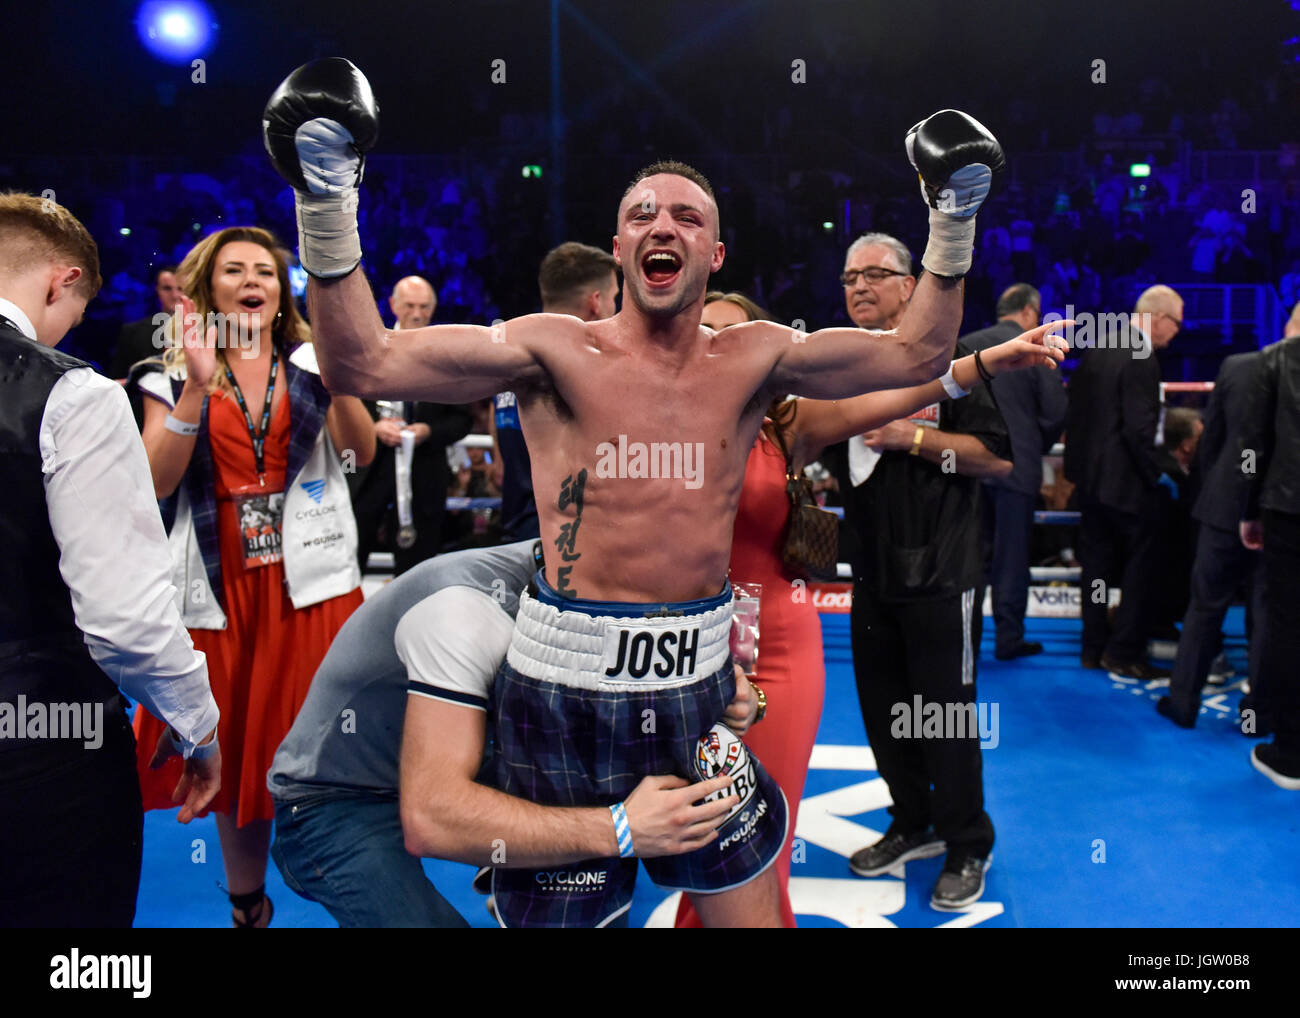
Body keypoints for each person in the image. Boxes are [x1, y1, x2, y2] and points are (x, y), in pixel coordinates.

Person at [265, 58, 1017, 927]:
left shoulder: (754, 355)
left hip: (699, 688)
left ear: (714, 251)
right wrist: (326, 198)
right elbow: (365, 362)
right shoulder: (551, 347)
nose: (664, 224)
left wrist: (951, 216)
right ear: (620, 248)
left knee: (751, 916)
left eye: (687, 215)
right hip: (564, 687)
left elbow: (916, 358)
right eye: (642, 215)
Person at [676, 290, 1065, 926]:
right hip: (698, 646)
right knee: (700, 833)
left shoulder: (788, 422)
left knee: (760, 829)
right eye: (705, 332)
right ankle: (911, 821)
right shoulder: (652, 423)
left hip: (805, 632)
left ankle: (966, 840)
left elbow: (932, 407)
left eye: (733, 336)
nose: (717, 346)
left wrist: (987, 360)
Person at [268, 541, 755, 927]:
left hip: (476, 755)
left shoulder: (599, 584)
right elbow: (431, 817)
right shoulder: (459, 613)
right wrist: (620, 829)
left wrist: (737, 700)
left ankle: (511, 852)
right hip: (336, 799)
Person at [131, 225, 375, 927]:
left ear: (280, 291)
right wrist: (196, 393)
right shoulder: (167, 376)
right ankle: (247, 905)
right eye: (234, 270)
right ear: (210, 287)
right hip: (221, 591)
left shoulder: (309, 369)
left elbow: (359, 454)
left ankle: (356, 894)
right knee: (236, 759)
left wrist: (343, 380)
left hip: (311, 589)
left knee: (331, 753)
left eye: (264, 272)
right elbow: (154, 481)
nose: (251, 281)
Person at [0, 192, 220, 928]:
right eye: (75, 310)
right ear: (61, 281)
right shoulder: (70, 393)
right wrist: (194, 720)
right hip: (37, 741)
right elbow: (123, 621)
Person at [818, 233, 1012, 909]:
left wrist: (917, 438)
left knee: (944, 716)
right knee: (884, 710)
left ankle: (968, 842)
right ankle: (914, 819)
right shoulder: (835, 364)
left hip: (943, 574)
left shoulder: (953, 358)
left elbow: (998, 459)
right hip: (868, 572)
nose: (860, 286)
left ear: (911, 286)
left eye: (876, 273)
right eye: (849, 276)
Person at [1065, 284, 1183, 679]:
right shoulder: (1141, 352)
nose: (1177, 333)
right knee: (1140, 568)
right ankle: (1124, 651)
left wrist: (1077, 475)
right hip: (1127, 486)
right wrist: (1158, 475)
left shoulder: (1101, 345)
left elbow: (1076, 415)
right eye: (1177, 324)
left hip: (1091, 484)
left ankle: (1092, 647)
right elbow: (1139, 429)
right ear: (1161, 318)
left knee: (1095, 568)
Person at [1158, 355, 1264, 728]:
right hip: (1275, 510)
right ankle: (1257, 713)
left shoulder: (1237, 367)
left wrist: (1212, 494)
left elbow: (1211, 440)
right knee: (1268, 614)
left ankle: (1184, 701)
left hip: (1226, 505)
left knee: (1204, 608)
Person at [962, 283, 1067, 660]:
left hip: (968, 464)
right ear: (1029, 312)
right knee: (1011, 557)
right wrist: (1032, 446)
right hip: (1017, 468)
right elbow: (1055, 411)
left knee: (970, 557)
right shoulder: (1037, 345)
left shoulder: (968, 342)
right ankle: (1008, 639)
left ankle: (965, 641)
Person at [490, 242, 619, 543]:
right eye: (615, 298)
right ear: (596, 302)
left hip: (516, 527)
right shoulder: (584, 368)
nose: (616, 308)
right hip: (567, 539)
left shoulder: (508, 354)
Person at [350, 275, 473, 574]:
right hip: (368, 474)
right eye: (410, 305)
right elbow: (344, 405)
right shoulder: (367, 351)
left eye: (424, 306)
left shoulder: (447, 357)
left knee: (416, 573)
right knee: (351, 561)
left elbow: (463, 419)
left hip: (424, 477)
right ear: (393, 305)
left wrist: (427, 432)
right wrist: (373, 428)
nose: (417, 313)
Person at [1238, 331, 1300, 788]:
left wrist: (1248, 509)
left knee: (1287, 625)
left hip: (1287, 509)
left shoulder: (1276, 360)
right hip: (1284, 504)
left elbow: (1252, 449)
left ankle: (1292, 750)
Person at [108, 263, 183, 379]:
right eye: (167, 288)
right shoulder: (132, 333)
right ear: (156, 290)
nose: (175, 295)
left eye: (180, 289)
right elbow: (117, 380)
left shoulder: (205, 332)